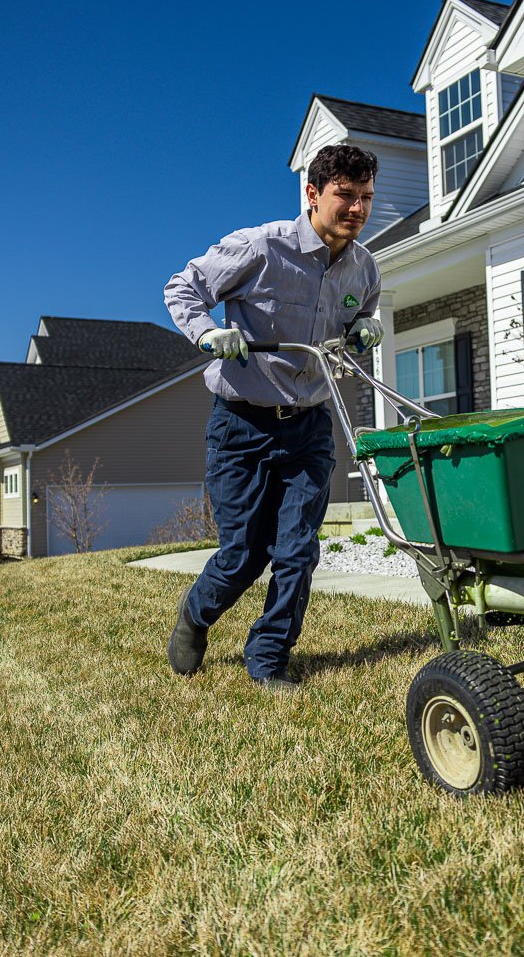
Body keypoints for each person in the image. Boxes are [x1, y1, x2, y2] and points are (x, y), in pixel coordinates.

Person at [162, 144, 384, 691]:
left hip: (309, 425)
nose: (357, 209)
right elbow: (182, 287)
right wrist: (208, 331)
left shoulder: (364, 266)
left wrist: (365, 329)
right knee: (243, 553)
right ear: (312, 195)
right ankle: (195, 616)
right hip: (241, 425)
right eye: (345, 196)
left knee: (297, 551)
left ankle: (267, 659)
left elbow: (360, 317)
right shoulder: (260, 247)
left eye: (366, 198)